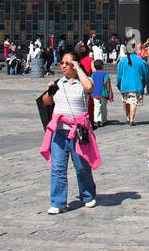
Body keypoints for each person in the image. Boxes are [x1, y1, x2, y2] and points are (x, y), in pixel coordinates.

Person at [40, 52, 100, 213]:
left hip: (78, 132)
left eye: (68, 63)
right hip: (59, 132)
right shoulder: (60, 83)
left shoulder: (82, 82)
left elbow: (90, 88)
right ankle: (57, 202)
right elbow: (46, 102)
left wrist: (79, 69)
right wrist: (50, 90)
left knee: (81, 167)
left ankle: (88, 195)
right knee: (58, 167)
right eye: (62, 63)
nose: (64, 66)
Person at [90, 61, 114, 128]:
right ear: (102, 66)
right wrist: (109, 92)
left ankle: (96, 120)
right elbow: (107, 83)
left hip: (94, 93)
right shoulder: (105, 74)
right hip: (103, 93)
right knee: (103, 107)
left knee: (97, 106)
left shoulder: (93, 74)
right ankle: (103, 120)